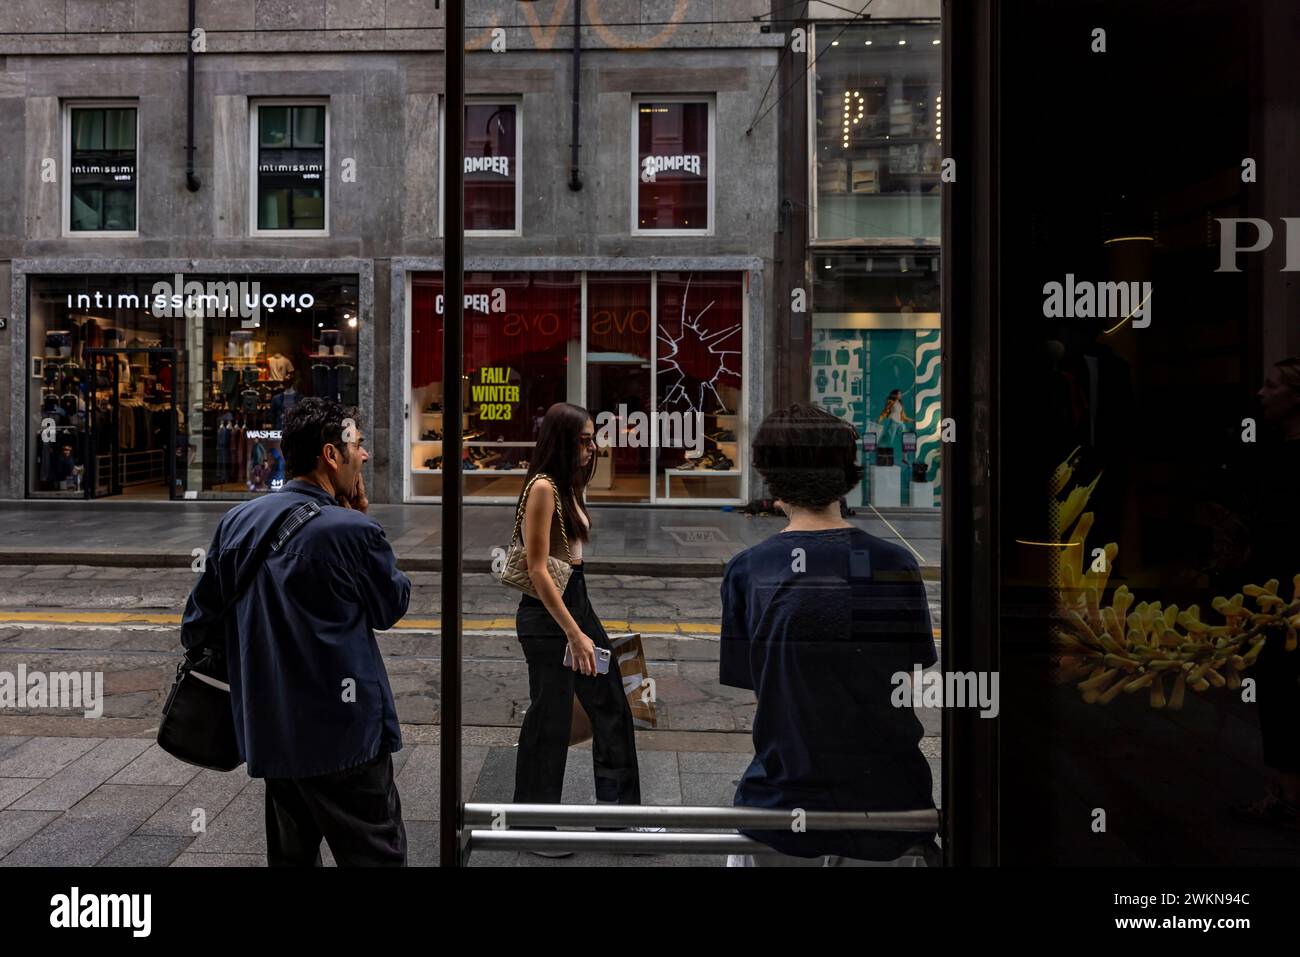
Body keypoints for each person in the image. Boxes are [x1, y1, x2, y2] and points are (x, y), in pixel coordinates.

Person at [181, 398, 411, 866]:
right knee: (376, 856)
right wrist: (362, 520)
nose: (364, 456)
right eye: (359, 446)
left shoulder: (237, 522)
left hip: (271, 734)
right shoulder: (353, 530)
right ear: (332, 454)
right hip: (345, 740)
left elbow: (196, 627)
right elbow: (391, 606)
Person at [720, 403, 938, 865]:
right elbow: (909, 668)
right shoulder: (896, 564)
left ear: (770, 478)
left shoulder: (749, 570)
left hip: (782, 798)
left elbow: (756, 682)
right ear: (847, 471)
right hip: (892, 799)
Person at [512, 402, 642, 856]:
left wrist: (582, 625)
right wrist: (574, 632)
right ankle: (532, 826)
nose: (592, 448)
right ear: (562, 440)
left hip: (575, 604)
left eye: (593, 439)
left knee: (612, 707)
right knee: (549, 721)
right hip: (550, 616)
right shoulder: (543, 488)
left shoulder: (566, 485)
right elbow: (537, 569)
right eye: (584, 440)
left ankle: (621, 819)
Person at [1228, 356, 1300, 830]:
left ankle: (1290, 796)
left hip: (1286, 597)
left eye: (1272, 385)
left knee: (1280, 687)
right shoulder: (1277, 450)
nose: (1261, 393)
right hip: (1274, 592)